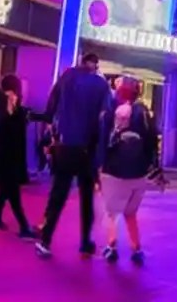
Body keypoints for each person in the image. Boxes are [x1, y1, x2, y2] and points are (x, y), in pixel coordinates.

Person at [36, 53, 112, 259]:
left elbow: (50, 110)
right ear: (95, 65)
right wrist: (101, 156)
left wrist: (50, 134)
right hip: (87, 149)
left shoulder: (66, 78)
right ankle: (85, 241)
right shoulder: (101, 85)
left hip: (64, 145)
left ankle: (45, 239)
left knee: (58, 194)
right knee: (87, 197)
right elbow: (105, 119)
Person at [99, 78, 158, 265]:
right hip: (138, 172)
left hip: (113, 170)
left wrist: (99, 165)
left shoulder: (110, 111)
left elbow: (102, 141)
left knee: (112, 212)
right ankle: (136, 248)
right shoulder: (143, 113)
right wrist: (150, 164)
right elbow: (152, 141)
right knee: (131, 213)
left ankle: (111, 246)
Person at [0, 74, 35, 238]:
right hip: (5, 157)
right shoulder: (4, 109)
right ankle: (23, 226)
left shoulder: (11, 110)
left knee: (6, 190)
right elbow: (5, 131)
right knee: (13, 193)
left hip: (8, 156)